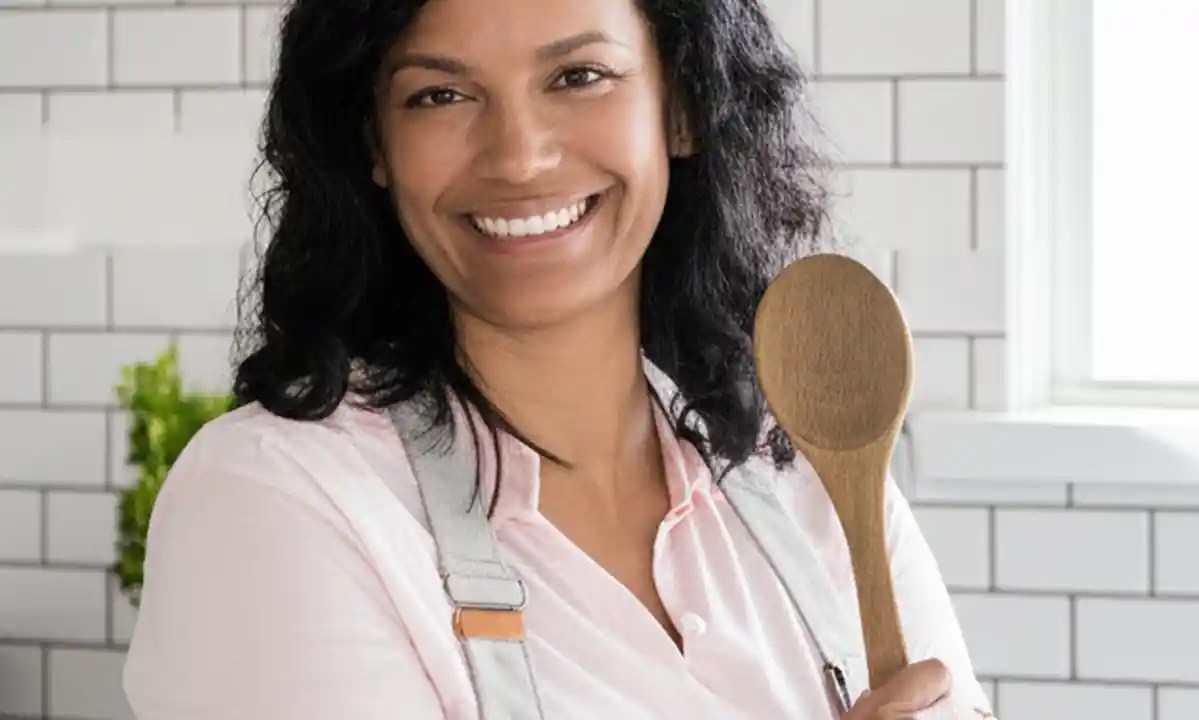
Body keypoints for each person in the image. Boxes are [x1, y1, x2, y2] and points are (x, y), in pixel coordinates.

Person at [122, 0, 993, 718]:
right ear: (374, 147)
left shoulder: (807, 465)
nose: (519, 157)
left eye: (580, 76)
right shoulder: (272, 499)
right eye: (439, 95)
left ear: (680, 107)